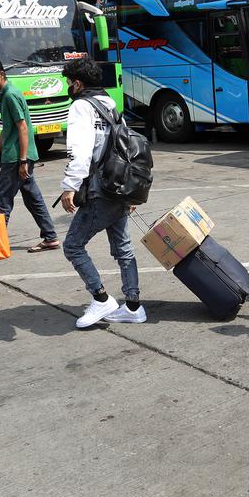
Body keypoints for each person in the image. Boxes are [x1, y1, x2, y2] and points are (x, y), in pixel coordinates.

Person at [58, 58, 144, 328]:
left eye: (69, 82)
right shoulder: (110, 103)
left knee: (73, 246)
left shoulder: (81, 106)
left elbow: (80, 152)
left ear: (78, 83)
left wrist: (70, 186)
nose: (68, 87)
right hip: (119, 186)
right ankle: (133, 307)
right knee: (123, 248)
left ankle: (101, 298)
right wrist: (130, 193)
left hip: (100, 189)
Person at [0, 58, 60, 253]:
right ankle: (50, 237)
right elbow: (7, 129)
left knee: (1, 200)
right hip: (16, 155)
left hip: (17, 157)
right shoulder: (4, 93)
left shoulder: (10, 95)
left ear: (1, 74)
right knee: (33, 197)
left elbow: (22, 128)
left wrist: (23, 160)